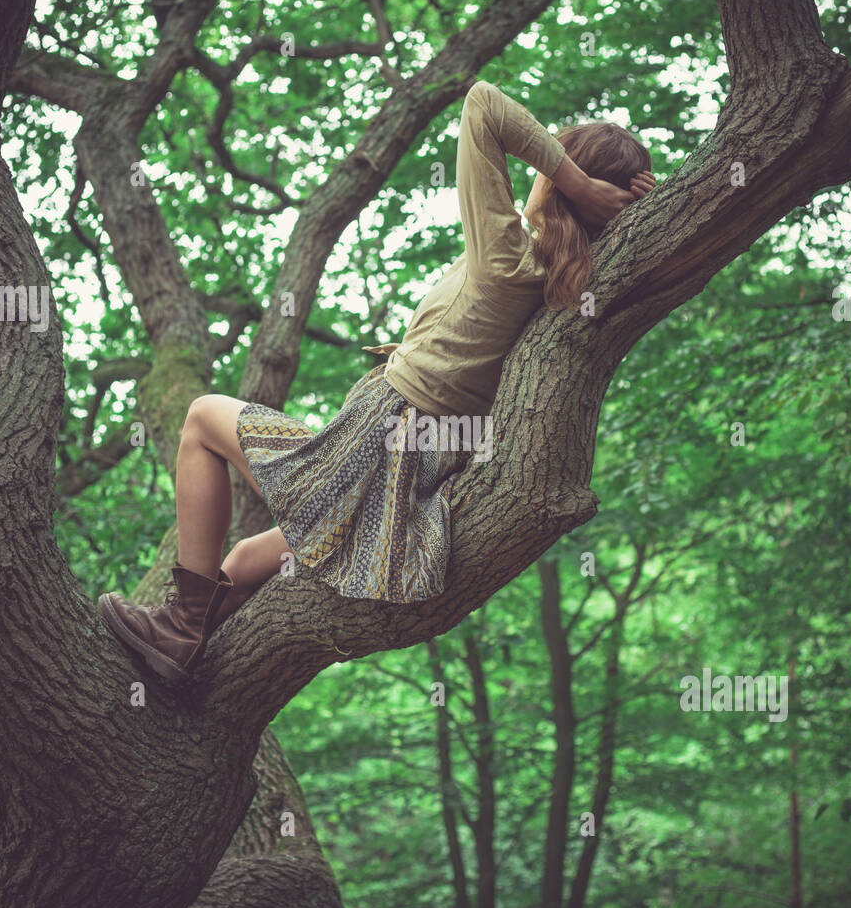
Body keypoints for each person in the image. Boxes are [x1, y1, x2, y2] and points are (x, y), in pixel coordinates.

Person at [99, 79, 656, 686]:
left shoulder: (509, 250)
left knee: (203, 416)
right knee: (245, 558)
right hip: (417, 458)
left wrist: (575, 180)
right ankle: (186, 665)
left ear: (566, 181)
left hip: (382, 440)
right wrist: (635, 203)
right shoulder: (568, 274)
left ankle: (179, 629)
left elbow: (484, 103)